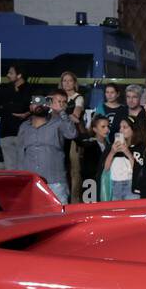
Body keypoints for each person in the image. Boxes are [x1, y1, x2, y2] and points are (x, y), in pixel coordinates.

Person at [16, 89, 78, 203]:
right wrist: (20, 179)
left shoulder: (58, 123)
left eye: (42, 102)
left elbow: (71, 134)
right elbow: (20, 153)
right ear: (30, 107)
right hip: (31, 182)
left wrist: (61, 112)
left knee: (59, 218)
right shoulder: (24, 127)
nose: (39, 105)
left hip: (55, 182)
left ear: (48, 105)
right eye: (35, 103)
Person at [0, 65, 31, 169]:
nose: (7, 75)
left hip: (24, 133)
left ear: (19, 75)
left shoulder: (30, 90)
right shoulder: (3, 89)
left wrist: (27, 113)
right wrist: (11, 111)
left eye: (10, 73)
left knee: (24, 167)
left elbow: (34, 108)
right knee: (10, 167)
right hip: (6, 133)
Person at [59, 71, 88, 202]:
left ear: (74, 83)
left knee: (75, 170)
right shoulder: (57, 96)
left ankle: (75, 201)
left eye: (70, 80)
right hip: (59, 135)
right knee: (61, 168)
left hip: (74, 137)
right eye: (64, 81)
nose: (67, 83)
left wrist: (62, 112)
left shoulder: (78, 98)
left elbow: (75, 116)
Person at [104, 116, 144, 200]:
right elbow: (106, 168)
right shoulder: (113, 147)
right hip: (115, 185)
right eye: (120, 127)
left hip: (131, 185)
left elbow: (139, 169)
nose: (121, 130)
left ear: (133, 129)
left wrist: (127, 152)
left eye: (125, 127)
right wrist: (112, 152)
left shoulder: (139, 147)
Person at [79, 115, 110, 201]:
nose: (107, 129)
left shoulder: (109, 146)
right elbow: (88, 170)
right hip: (91, 184)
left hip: (105, 184)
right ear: (95, 129)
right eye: (103, 127)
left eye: (108, 126)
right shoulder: (90, 145)